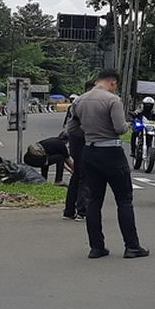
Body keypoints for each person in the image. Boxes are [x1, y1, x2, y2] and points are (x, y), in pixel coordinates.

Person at [65, 69, 149, 260]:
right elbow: (120, 128)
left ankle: (97, 247)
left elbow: (71, 128)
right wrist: (126, 125)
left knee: (94, 200)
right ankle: (132, 246)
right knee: (124, 199)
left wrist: (89, 132)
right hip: (111, 151)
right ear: (113, 83)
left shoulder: (79, 100)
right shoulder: (112, 100)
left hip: (89, 152)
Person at [62, 81, 95, 221]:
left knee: (77, 176)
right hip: (81, 139)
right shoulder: (86, 102)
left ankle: (69, 210)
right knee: (84, 177)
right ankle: (82, 211)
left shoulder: (79, 101)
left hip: (75, 139)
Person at [129, 96, 155, 163]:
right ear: (143, 104)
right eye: (146, 104)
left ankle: (154, 148)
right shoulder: (140, 111)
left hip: (150, 128)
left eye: (150, 105)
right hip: (141, 127)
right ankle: (133, 151)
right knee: (134, 133)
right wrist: (132, 116)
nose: (148, 106)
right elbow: (134, 114)